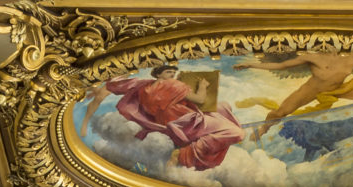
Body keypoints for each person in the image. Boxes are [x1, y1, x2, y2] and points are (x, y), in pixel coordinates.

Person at [82, 64, 245, 170]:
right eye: (169, 72)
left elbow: (116, 86)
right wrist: (202, 86)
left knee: (223, 107)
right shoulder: (174, 85)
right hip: (189, 123)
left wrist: (98, 90)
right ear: (158, 74)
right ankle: (184, 154)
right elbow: (200, 99)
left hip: (168, 125)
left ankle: (200, 141)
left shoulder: (143, 85)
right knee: (237, 132)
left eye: (174, 73)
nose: (172, 75)